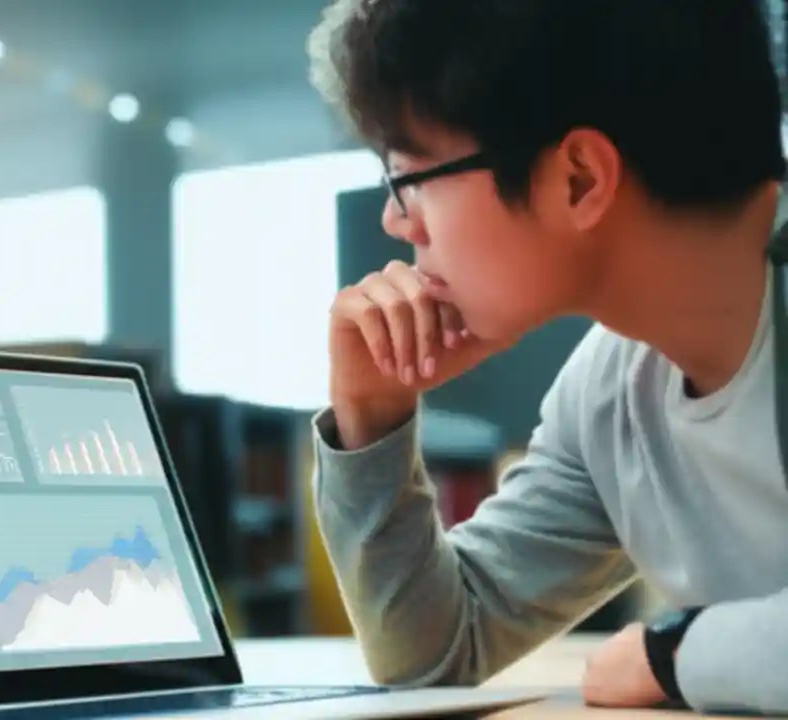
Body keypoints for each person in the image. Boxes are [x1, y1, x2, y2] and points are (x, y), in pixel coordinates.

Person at [306, 0, 788, 714]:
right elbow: (433, 651)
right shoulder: (612, 389)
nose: (395, 219)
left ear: (580, 180)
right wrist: (373, 417)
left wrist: (677, 652)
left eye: (407, 175)